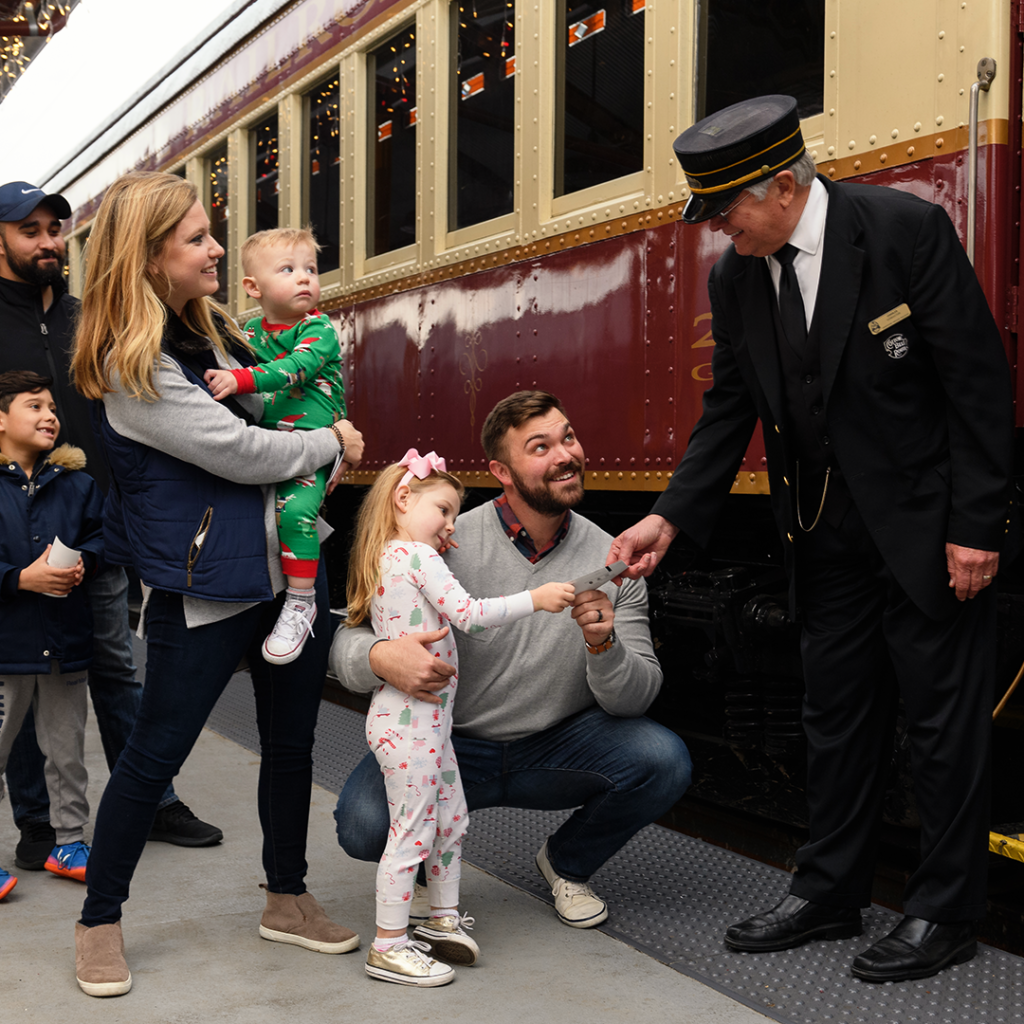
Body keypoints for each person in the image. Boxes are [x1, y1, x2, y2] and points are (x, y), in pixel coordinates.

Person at [607, 95, 1017, 983]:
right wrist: (669, 515)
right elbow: (729, 411)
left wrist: (976, 527)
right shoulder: (737, 278)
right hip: (822, 538)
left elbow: (978, 385)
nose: (718, 230)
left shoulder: (903, 232)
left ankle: (945, 913)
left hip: (928, 533)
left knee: (941, 729)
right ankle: (830, 892)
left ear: (784, 189)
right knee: (835, 721)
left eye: (727, 210)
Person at [68, 171, 365, 997]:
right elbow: (243, 452)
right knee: (154, 754)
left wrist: (318, 416)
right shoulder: (132, 365)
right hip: (205, 585)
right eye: (196, 238)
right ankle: (98, 920)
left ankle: (287, 897)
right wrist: (332, 440)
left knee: (293, 745)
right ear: (148, 256)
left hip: (289, 572)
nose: (215, 249)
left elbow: (280, 405)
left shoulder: (224, 333)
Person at [332, 391, 692, 938]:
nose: (565, 455)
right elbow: (346, 640)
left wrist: (604, 644)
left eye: (568, 438)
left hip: (556, 746)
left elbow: (637, 697)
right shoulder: (442, 538)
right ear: (501, 471)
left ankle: (566, 864)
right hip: (449, 741)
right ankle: (425, 874)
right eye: (540, 447)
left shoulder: (613, 560)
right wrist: (381, 656)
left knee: (664, 760)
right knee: (363, 825)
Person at [0, 180, 222, 862]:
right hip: (15, 531)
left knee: (116, 667)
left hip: (95, 526)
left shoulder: (83, 316)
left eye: (55, 229)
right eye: (30, 231)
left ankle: (152, 799)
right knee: (25, 682)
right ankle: (40, 825)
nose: (49, 242)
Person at [346, 448, 575, 986]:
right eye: (444, 510)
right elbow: (470, 616)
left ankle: (440, 918)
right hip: (412, 723)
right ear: (404, 498)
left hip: (423, 722)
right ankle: (389, 946)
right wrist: (536, 598)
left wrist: (435, 545)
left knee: (450, 819)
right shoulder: (418, 557)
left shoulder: (391, 553)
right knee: (413, 830)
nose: (452, 524)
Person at [204, 227, 347, 665]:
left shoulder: (318, 328)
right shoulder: (249, 332)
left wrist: (239, 379)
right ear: (253, 288)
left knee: (297, 512)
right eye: (288, 270)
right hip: (273, 445)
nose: (305, 277)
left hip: (312, 443)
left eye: (311, 269)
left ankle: (302, 602)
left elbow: (295, 368)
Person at [0, 370, 104, 899]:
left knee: (66, 751)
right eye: (34, 406)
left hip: (64, 643)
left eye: (53, 409)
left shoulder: (78, 484)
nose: (49, 416)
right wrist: (19, 578)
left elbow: (102, 537)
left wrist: (85, 561)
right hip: (6, 648)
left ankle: (69, 843)